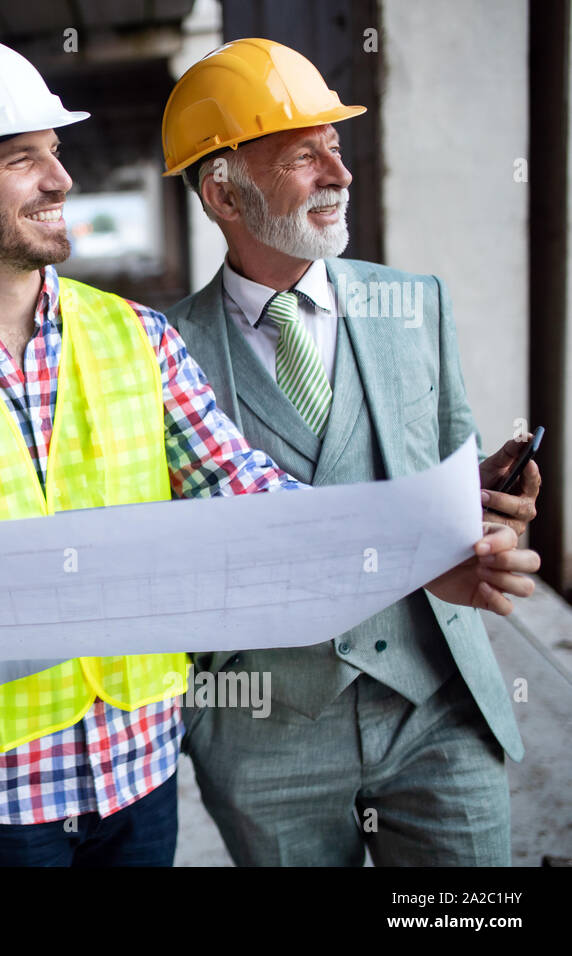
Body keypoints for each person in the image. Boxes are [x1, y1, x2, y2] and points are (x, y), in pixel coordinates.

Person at [0, 37, 535, 867]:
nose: (61, 180)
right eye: (24, 160)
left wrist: (417, 551)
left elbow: (260, 502)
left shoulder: (140, 339)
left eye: (55, 155)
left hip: (138, 779)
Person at [160, 38, 542, 865]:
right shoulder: (160, 348)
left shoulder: (416, 303)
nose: (340, 174)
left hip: (435, 703)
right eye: (306, 155)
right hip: (265, 733)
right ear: (223, 191)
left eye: (336, 148)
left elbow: (449, 464)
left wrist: (489, 510)